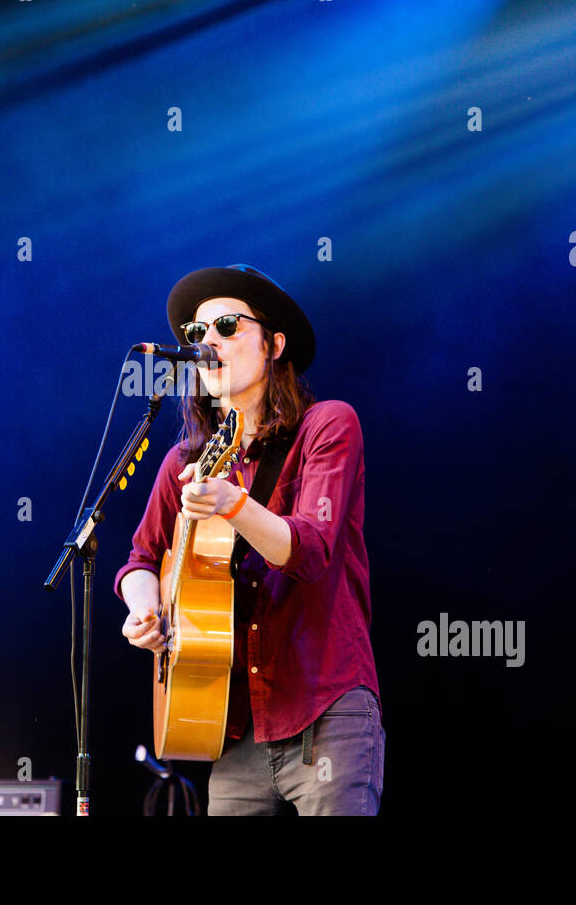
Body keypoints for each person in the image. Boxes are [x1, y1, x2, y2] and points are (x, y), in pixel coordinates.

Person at [117, 264, 383, 815]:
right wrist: (145, 611)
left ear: (274, 345)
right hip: (232, 728)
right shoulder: (183, 463)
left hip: (324, 712)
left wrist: (233, 503)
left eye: (228, 326)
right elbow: (140, 560)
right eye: (196, 333)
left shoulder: (329, 426)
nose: (207, 341)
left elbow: (309, 552)